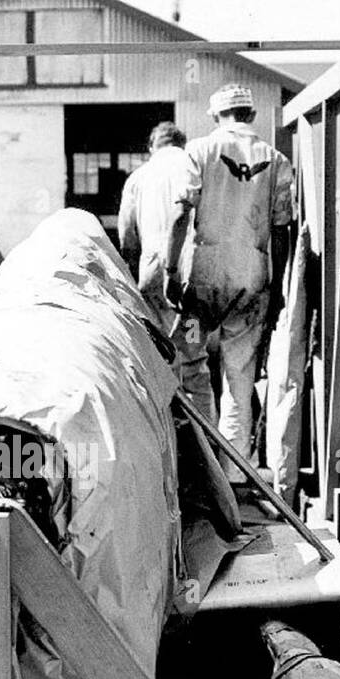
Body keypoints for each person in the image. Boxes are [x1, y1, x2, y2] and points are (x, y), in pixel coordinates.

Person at [164, 83, 294, 486]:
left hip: (203, 281)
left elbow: (181, 215)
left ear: (215, 115)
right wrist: (277, 289)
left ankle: (201, 466)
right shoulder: (275, 160)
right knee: (240, 376)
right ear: (251, 115)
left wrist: (171, 272)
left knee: (189, 361)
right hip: (251, 280)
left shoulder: (198, 152)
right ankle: (235, 475)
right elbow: (282, 230)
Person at [117, 121, 215, 421]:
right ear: (181, 143)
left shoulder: (138, 178)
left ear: (151, 146)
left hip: (153, 281)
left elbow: (127, 237)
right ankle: (206, 446)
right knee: (193, 359)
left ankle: (171, 439)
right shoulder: (192, 166)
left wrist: (134, 275)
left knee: (161, 359)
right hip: (191, 283)